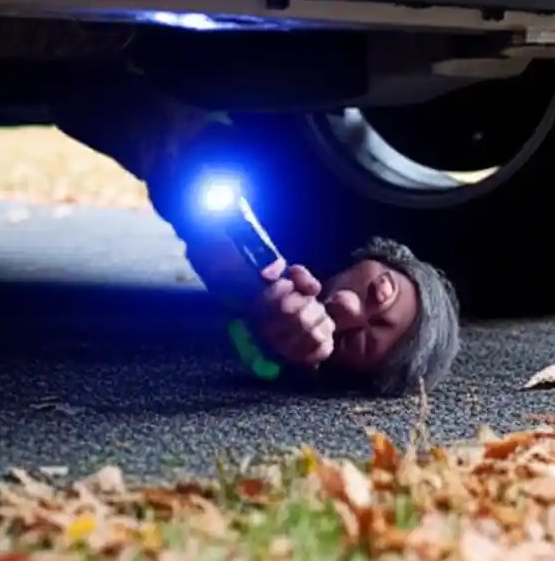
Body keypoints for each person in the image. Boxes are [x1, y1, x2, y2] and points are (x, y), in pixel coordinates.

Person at [48, 77, 460, 396]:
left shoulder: (270, 280)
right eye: (380, 293)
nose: (349, 308)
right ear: (387, 260)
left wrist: (268, 320)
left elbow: (223, 271)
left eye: (352, 340)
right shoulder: (379, 194)